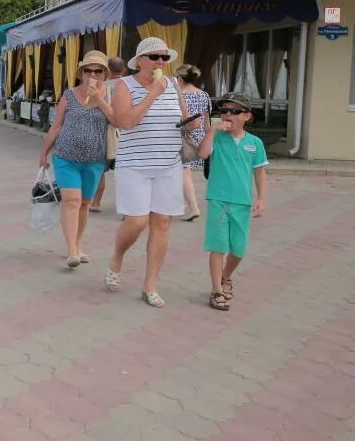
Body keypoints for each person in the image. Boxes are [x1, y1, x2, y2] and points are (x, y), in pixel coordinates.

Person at [104, 37, 199, 308]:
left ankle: (150, 285)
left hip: (168, 164)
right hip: (134, 164)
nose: (160, 63)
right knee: (136, 221)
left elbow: (182, 120)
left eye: (164, 58)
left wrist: (193, 124)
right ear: (140, 60)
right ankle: (117, 258)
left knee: (162, 223)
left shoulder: (172, 85)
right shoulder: (125, 85)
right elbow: (124, 122)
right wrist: (152, 94)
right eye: (155, 57)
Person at [38, 51, 115, 268]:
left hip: (94, 159)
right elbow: (57, 125)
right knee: (71, 201)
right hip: (66, 157)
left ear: (105, 74)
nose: (92, 74)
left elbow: (117, 121)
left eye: (97, 71)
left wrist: (99, 99)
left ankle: (78, 244)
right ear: (81, 72)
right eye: (88, 70)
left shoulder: (109, 95)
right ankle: (71, 250)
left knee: (84, 204)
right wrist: (44, 152)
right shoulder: (69, 95)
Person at [198, 92, 268, 311]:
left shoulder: (255, 143)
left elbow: (260, 172)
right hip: (218, 199)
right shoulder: (217, 137)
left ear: (246, 116)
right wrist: (211, 130)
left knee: (239, 250)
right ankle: (217, 289)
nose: (228, 115)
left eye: (234, 111)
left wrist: (261, 199)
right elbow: (203, 154)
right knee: (217, 246)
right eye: (224, 111)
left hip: (242, 203)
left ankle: (226, 276)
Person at [89, 56, 126, 212]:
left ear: (107, 71)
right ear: (124, 70)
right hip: (126, 135)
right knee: (125, 173)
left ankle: (96, 202)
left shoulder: (101, 87)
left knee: (99, 171)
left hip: (103, 134)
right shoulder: (130, 85)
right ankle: (126, 206)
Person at [176, 63, 212, 222]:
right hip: (198, 139)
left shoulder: (176, 95)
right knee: (183, 172)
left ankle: (193, 208)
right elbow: (207, 122)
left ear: (180, 79)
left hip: (181, 137)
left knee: (184, 172)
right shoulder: (203, 95)